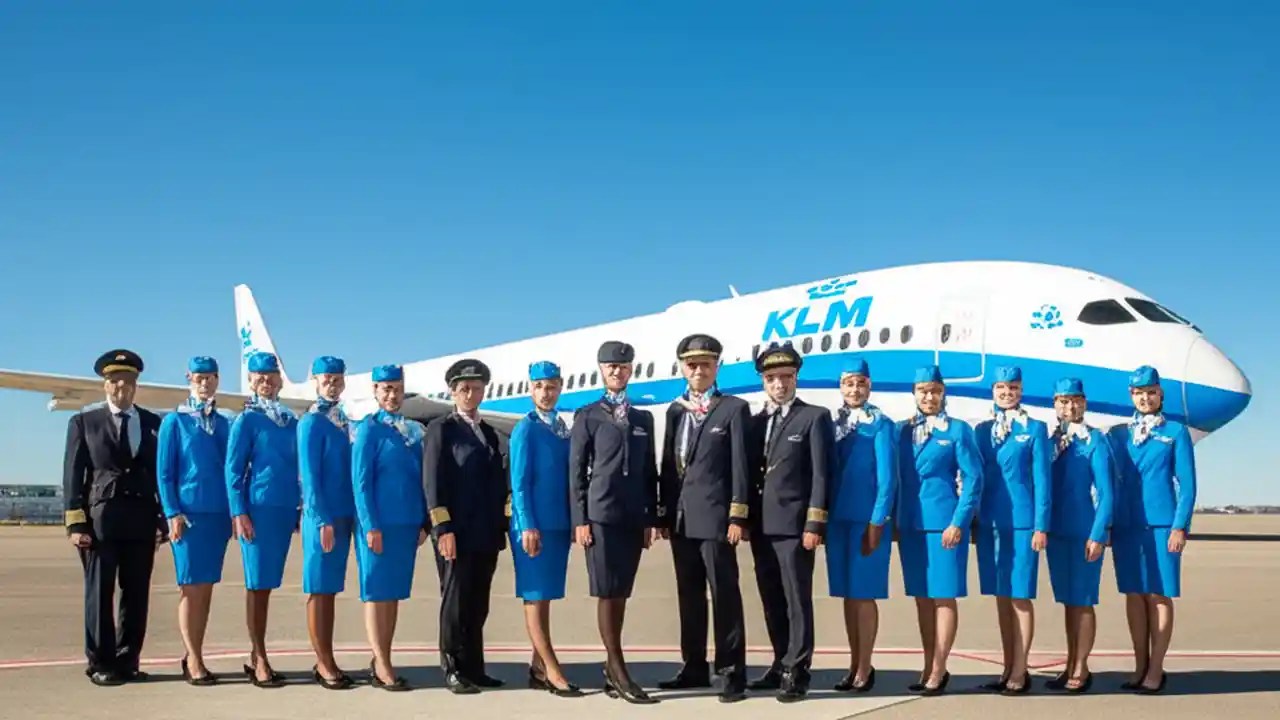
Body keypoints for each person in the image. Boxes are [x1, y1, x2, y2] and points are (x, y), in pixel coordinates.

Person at [62, 349, 166, 686]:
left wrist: (162, 520)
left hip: (141, 519)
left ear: (137, 385)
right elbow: (73, 476)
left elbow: (160, 475)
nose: (122, 386)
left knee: (136, 594)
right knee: (99, 593)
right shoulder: (84, 423)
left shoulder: (153, 423)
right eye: (115, 380)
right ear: (105, 385)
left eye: (128, 380)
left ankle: (128, 659)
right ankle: (100, 662)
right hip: (100, 521)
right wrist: (76, 523)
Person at [656, 333, 750, 703]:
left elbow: (740, 467)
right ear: (682, 368)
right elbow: (668, 466)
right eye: (692, 365)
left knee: (724, 594)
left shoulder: (732, 409)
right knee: (689, 595)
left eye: (706, 365)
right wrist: (663, 513)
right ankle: (693, 664)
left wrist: (738, 514)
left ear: (717, 368)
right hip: (681, 521)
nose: (698, 370)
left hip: (716, 519)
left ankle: (731, 671)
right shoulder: (675, 411)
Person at [569, 340, 661, 705]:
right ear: (601, 370)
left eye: (623, 367)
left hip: (632, 517)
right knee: (607, 590)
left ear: (631, 371)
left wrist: (651, 517)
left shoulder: (643, 419)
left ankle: (612, 668)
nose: (617, 372)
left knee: (622, 590)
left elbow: (649, 471)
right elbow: (576, 473)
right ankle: (618, 667)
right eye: (611, 367)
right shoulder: (588, 415)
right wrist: (580, 519)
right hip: (601, 516)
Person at [745, 342, 833, 703]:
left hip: (795, 527)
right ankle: (779, 662)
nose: (779, 384)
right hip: (762, 527)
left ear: (796, 378)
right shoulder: (756, 422)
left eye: (785, 377)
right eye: (771, 378)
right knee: (771, 598)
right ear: (764, 382)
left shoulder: (814, 417)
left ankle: (798, 670)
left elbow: (822, 475)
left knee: (797, 599)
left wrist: (814, 524)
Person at [894, 364, 983, 696]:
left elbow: (973, 479)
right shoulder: (903, 432)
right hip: (911, 526)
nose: (929, 397)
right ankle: (928, 662)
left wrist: (959, 522)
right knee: (921, 599)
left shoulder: (958, 431)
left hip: (944, 525)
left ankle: (940, 667)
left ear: (943, 393)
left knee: (943, 597)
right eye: (923, 391)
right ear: (915, 394)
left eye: (934, 391)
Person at [1108, 365, 1196, 694]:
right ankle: (1139, 665)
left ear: (1160, 394)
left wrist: (1180, 526)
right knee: (1134, 594)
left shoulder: (1176, 432)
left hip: (1161, 524)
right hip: (1127, 524)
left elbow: (1186, 486)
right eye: (1139, 394)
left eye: (1151, 393)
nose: (1145, 398)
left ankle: (1156, 669)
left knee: (1158, 594)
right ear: (1132, 396)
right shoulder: (1118, 434)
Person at [424, 358, 508, 694]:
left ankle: (475, 666)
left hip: (485, 532)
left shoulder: (489, 433)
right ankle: (453, 667)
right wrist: (443, 530)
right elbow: (432, 483)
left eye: (475, 388)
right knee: (455, 601)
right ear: (453, 392)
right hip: (455, 533)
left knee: (478, 601)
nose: (470, 394)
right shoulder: (440, 429)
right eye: (463, 389)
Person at [973, 365, 1052, 694]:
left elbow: (1042, 480)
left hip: (1022, 523)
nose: (1007, 393)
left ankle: (1021, 671)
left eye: (1013, 388)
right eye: (1001, 387)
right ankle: (1007, 669)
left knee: (1020, 597)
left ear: (1021, 391)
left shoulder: (1034, 429)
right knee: (1001, 598)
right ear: (993, 390)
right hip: (990, 522)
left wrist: (1040, 525)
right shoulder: (982, 430)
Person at [508, 360, 582, 697]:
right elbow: (519, 483)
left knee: (546, 597)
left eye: (551, 386)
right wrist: (527, 524)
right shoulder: (526, 428)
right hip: (533, 527)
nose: (546, 393)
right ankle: (552, 669)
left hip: (557, 525)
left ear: (560, 388)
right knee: (535, 596)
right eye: (540, 387)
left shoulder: (561, 429)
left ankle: (538, 666)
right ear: (531, 389)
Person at [157, 355, 233, 686]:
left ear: (217, 380)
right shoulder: (175, 422)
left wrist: (233, 512)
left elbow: (232, 471)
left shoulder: (224, 423)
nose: (205, 382)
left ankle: (195, 652)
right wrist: (172, 512)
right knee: (190, 588)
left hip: (217, 516)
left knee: (206, 588)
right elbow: (165, 473)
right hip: (188, 517)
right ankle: (194, 659)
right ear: (188, 378)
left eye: (211, 377)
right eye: (199, 377)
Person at [225, 350, 299, 688]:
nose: (266, 381)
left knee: (267, 584)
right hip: (257, 510)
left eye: (271, 375)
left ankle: (258, 654)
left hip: (284, 511)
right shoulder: (247, 420)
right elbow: (233, 470)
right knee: (256, 583)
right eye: (260, 377)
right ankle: (260, 656)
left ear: (280, 380)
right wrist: (239, 511)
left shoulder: (290, 421)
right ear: (251, 382)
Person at [352, 364, 428, 692]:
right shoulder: (368, 430)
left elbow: (424, 480)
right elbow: (361, 482)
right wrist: (370, 524)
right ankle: (380, 661)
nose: (392, 395)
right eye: (385, 389)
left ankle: (385, 655)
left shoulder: (413, 433)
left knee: (393, 594)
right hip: (378, 525)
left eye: (396, 388)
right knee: (376, 592)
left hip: (406, 524)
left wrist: (424, 521)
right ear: (375, 392)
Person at [825, 357, 896, 694]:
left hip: (867, 521)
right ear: (841, 387)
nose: (854, 389)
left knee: (864, 595)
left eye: (860, 383)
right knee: (848, 596)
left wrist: (878, 521)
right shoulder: (833, 423)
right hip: (838, 520)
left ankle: (865, 668)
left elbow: (888, 479)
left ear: (869, 386)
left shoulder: (881, 424)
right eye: (848, 383)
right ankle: (853, 663)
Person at [1045, 377, 1114, 694]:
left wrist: (1098, 534)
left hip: (1084, 530)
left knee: (1084, 601)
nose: (1069, 407)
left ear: (1084, 404)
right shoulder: (1051, 441)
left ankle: (1082, 668)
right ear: (1055, 404)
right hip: (1057, 532)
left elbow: (1106, 492)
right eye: (1063, 401)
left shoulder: (1094, 440)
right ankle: (1070, 663)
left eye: (1075, 401)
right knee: (1068, 602)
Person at [297, 355, 356, 689]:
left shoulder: (343, 420)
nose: (332, 383)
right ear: (315, 382)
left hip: (344, 514)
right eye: (326, 378)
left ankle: (327, 657)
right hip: (324, 518)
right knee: (319, 589)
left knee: (330, 589)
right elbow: (309, 476)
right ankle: (323, 662)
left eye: (337, 378)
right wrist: (321, 519)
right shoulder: (311, 422)